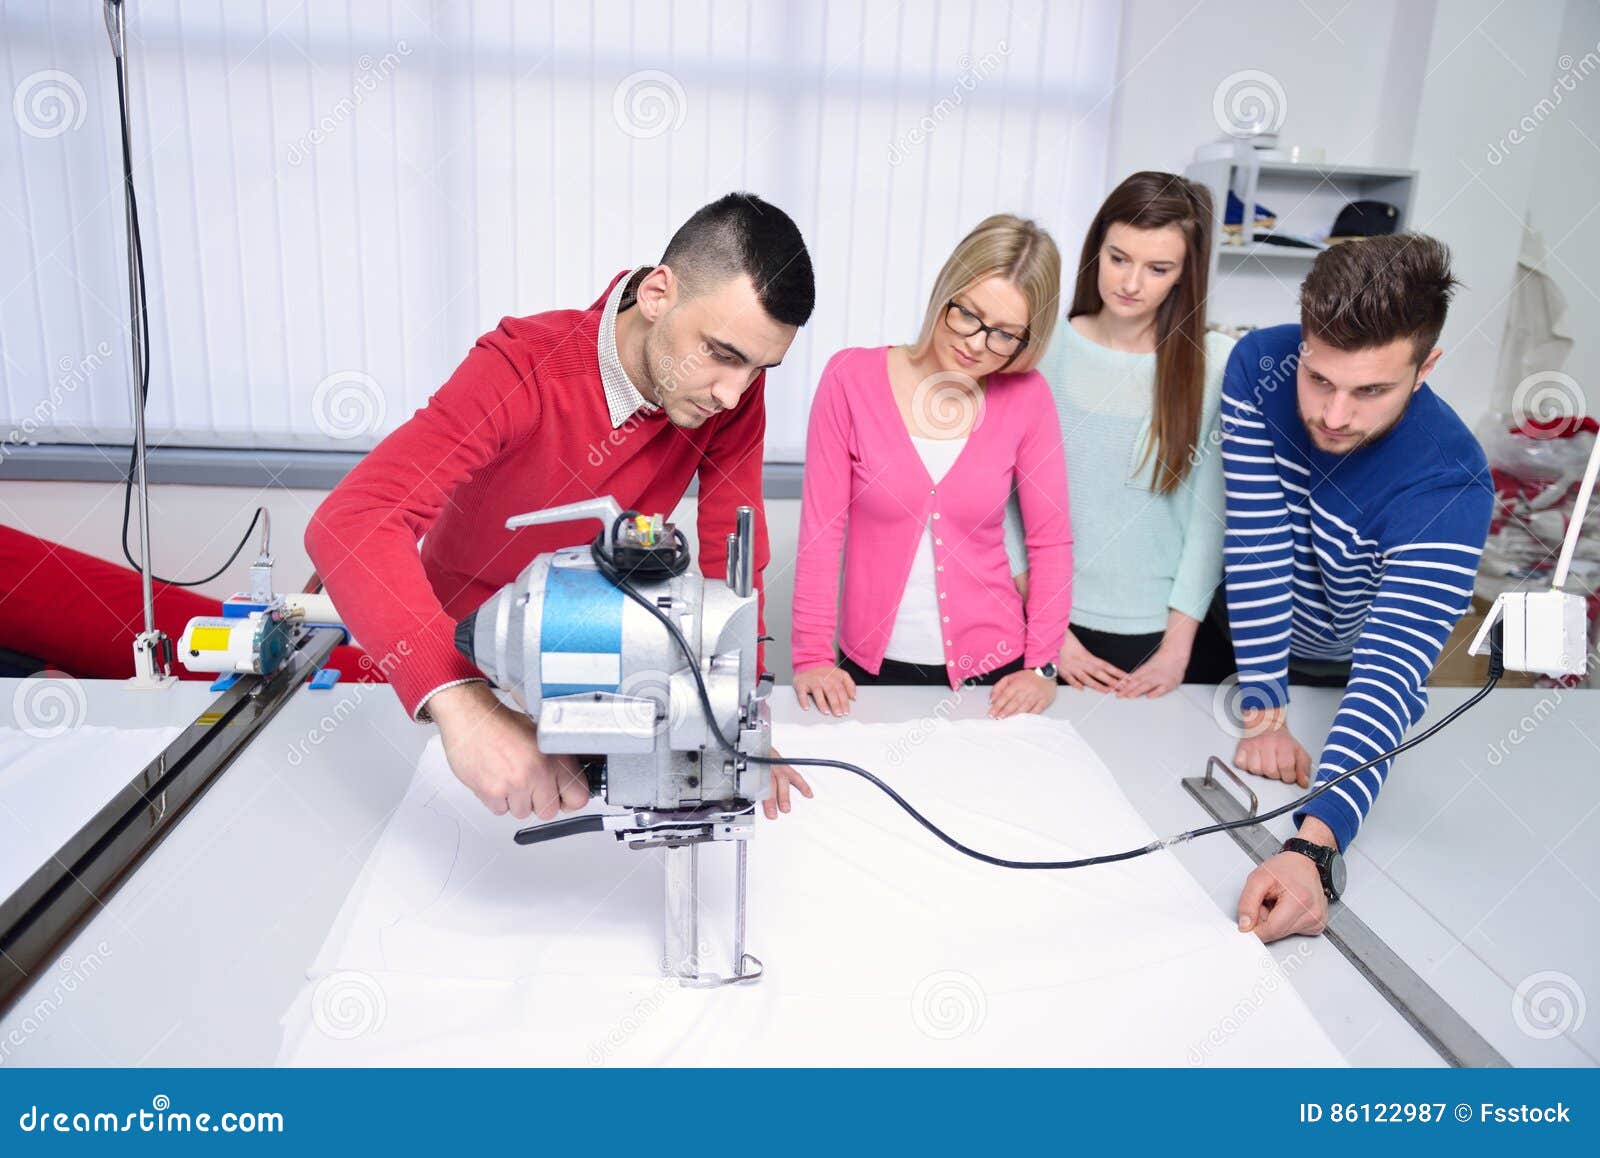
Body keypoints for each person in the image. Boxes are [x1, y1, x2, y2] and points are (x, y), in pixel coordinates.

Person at [306, 193, 816, 822]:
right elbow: (353, 521)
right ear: (657, 294)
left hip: (577, 657)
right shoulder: (524, 366)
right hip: (437, 655)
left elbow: (733, 548)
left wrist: (739, 717)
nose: (734, 394)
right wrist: (464, 704)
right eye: (722, 353)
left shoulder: (728, 390)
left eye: (761, 369)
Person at [1220, 233, 1494, 942]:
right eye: (1320, 379)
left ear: (1425, 367)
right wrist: (1264, 709)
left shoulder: (1450, 482)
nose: (1334, 417)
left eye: (1370, 390)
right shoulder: (1258, 366)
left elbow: (1390, 670)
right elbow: (1258, 547)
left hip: (1355, 664)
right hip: (1259, 647)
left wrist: (1312, 846)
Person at [791, 214, 1072, 719]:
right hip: (868, 672)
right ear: (946, 291)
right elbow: (821, 531)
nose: (976, 344)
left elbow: (1050, 540)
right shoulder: (850, 378)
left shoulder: (1028, 398)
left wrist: (1042, 665)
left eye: (1005, 335)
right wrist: (811, 655)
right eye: (968, 314)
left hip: (997, 676)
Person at [1003, 171, 1236, 697]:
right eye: (1118, 258)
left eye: (1158, 268)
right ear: (1095, 250)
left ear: (1185, 274)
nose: (1131, 284)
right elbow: (1002, 505)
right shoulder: (1040, 349)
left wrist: (1176, 653)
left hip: (1161, 638)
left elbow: (1208, 519)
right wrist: (1050, 633)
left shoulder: (1214, 362)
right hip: (1045, 628)